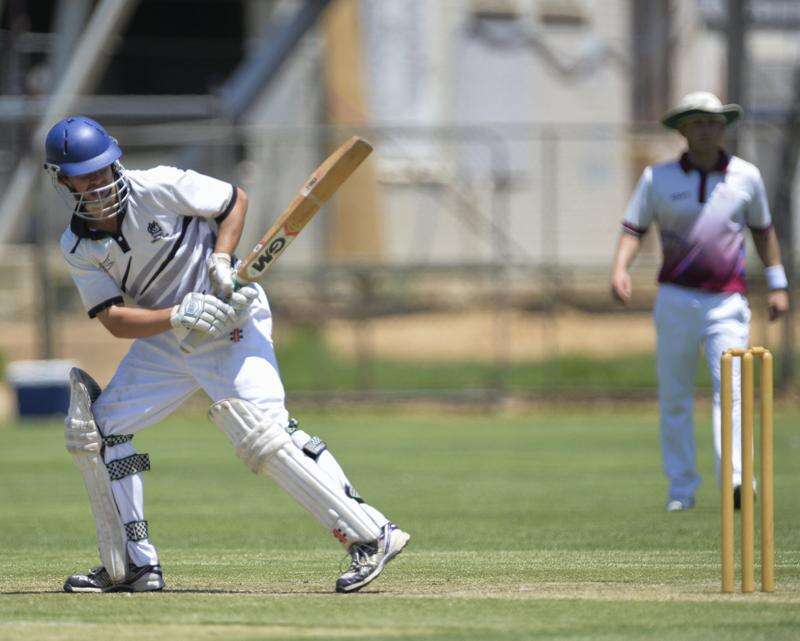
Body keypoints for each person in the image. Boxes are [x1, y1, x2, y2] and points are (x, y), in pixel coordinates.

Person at [46, 115, 409, 593]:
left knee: (265, 433)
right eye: (84, 174)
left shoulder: (159, 186)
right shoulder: (77, 245)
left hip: (233, 321)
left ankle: (370, 534)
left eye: (102, 168)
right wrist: (179, 315)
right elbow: (114, 320)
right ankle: (135, 563)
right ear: (63, 179)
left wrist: (221, 258)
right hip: (169, 336)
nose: (96, 181)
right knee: (101, 430)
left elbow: (233, 200)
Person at [609, 92, 789, 512]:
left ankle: (738, 481)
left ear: (723, 128)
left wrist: (777, 283)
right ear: (684, 130)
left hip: (727, 302)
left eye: (714, 122)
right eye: (698, 123)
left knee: (733, 392)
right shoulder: (659, 178)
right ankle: (681, 490)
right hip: (675, 298)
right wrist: (619, 268)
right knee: (674, 397)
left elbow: (763, 230)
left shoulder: (747, 177)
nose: (708, 129)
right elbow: (633, 227)